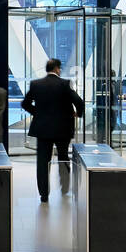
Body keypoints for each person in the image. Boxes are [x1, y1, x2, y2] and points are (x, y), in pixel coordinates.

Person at [21, 58, 85, 203]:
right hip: (63, 128)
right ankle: (64, 188)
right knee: (63, 157)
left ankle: (44, 194)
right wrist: (77, 114)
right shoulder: (64, 84)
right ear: (57, 69)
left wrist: (37, 113)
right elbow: (79, 102)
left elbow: (25, 103)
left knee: (43, 161)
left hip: (42, 128)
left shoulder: (36, 84)